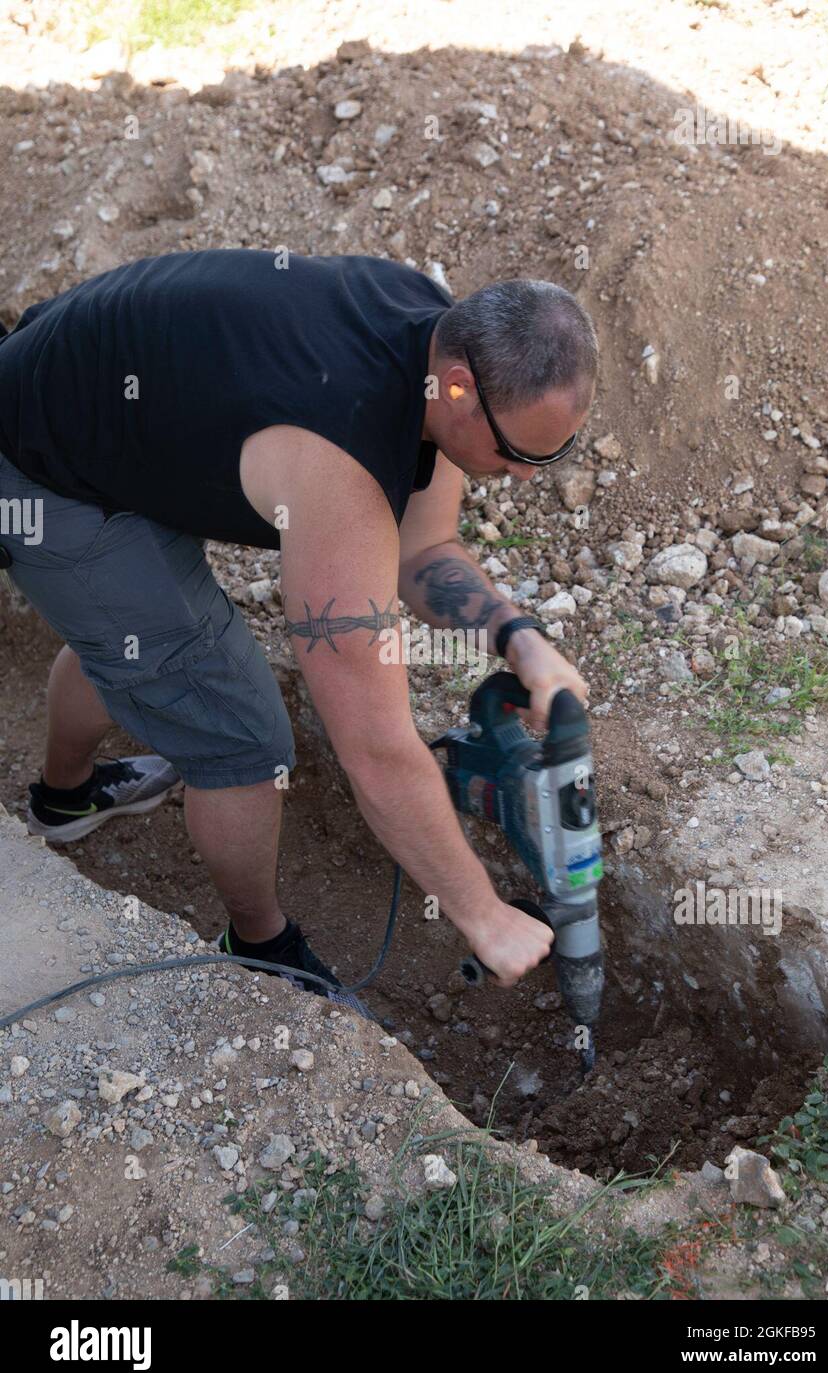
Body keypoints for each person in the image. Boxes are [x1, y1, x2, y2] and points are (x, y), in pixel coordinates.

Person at [0, 250, 597, 1006]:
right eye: (516, 454)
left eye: (552, 455)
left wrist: (520, 639)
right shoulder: (338, 472)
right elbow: (375, 752)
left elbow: (425, 548)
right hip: (34, 466)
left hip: (101, 403)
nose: (525, 477)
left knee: (130, 634)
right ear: (461, 388)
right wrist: (482, 914)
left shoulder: (437, 337)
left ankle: (65, 800)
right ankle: (255, 942)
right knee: (245, 743)